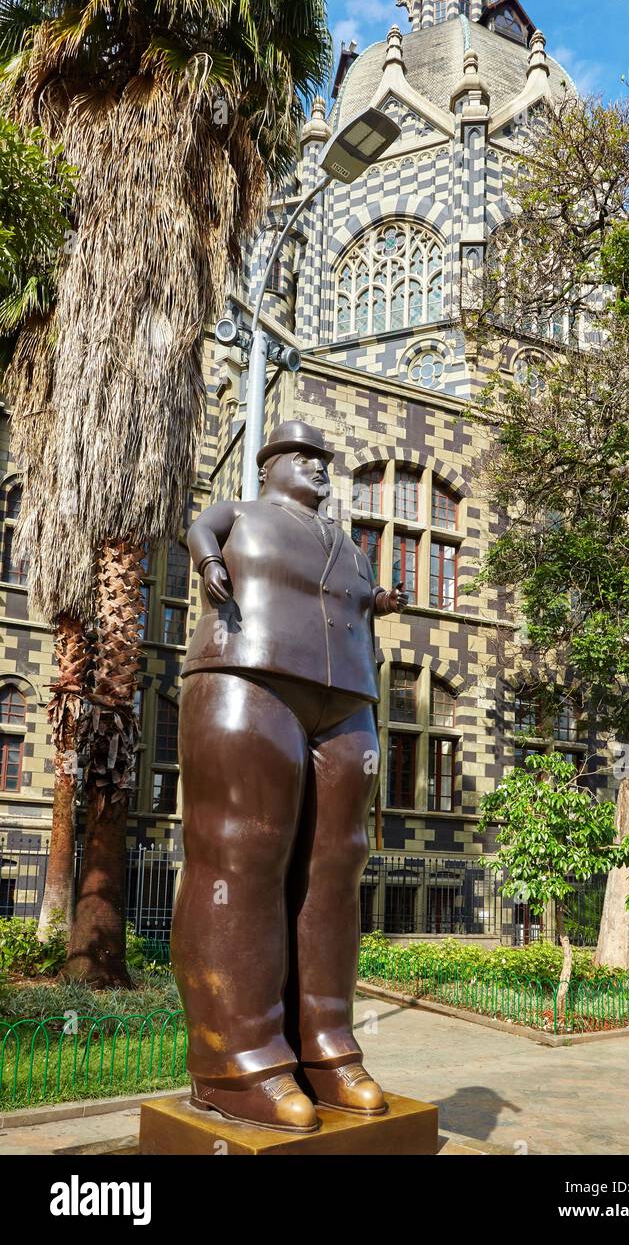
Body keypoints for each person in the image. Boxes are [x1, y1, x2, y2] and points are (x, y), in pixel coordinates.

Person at [170, 421, 409, 1132]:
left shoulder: (347, 547)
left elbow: (353, 609)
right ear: (268, 464)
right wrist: (209, 557)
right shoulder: (238, 513)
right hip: (250, 674)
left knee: (336, 861)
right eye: (302, 458)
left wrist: (379, 604)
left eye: (323, 461)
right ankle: (234, 1060)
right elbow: (198, 529)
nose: (318, 469)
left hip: (345, 698)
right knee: (243, 849)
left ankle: (326, 1046)